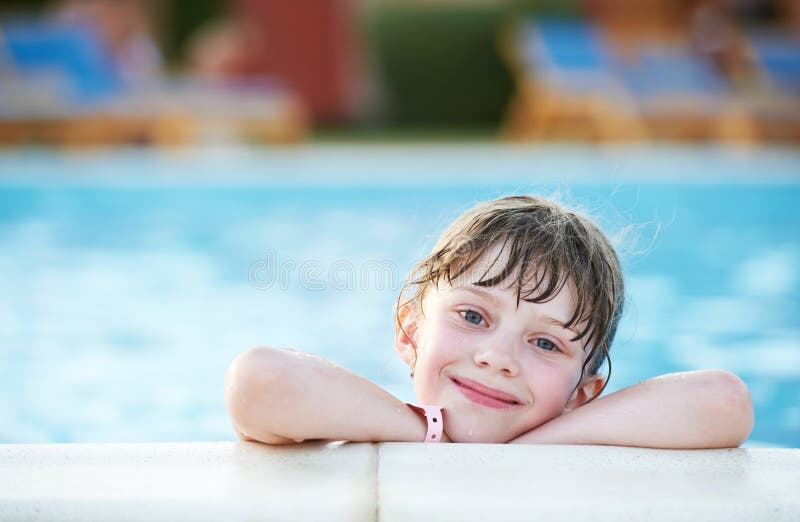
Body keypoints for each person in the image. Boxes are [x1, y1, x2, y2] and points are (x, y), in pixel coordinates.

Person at [225, 195, 754, 447]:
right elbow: (261, 382)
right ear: (410, 332)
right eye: (474, 315)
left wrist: (541, 444)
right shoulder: (366, 419)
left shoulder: (582, 437)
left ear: (582, 394)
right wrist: (424, 433)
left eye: (546, 344)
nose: (497, 358)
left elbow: (724, 402)